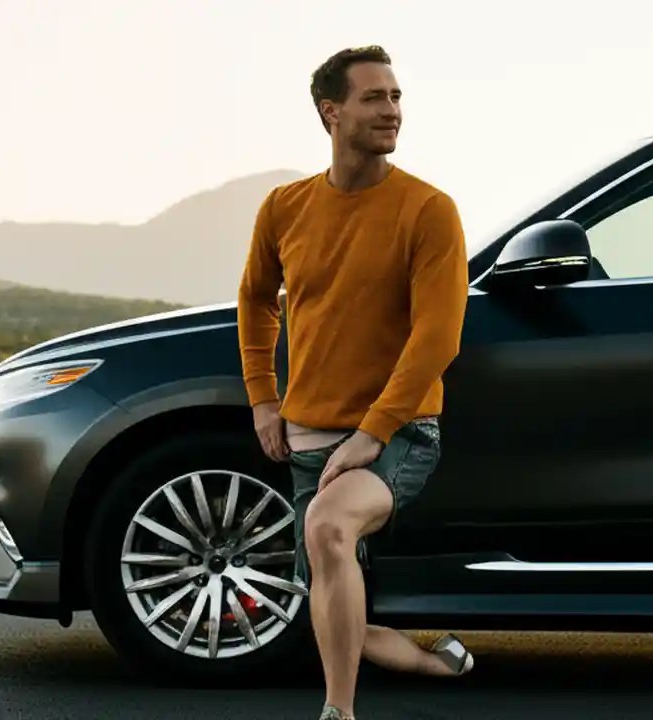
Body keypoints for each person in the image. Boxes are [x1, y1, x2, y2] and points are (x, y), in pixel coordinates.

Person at [236, 45, 473, 720]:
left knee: (332, 529)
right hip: (308, 439)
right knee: (336, 614)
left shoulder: (429, 210)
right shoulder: (285, 208)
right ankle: (436, 663)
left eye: (396, 97)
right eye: (375, 98)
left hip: (398, 434)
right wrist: (262, 398)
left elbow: (439, 337)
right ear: (330, 113)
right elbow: (255, 298)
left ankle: (337, 713)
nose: (392, 111)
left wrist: (374, 433)